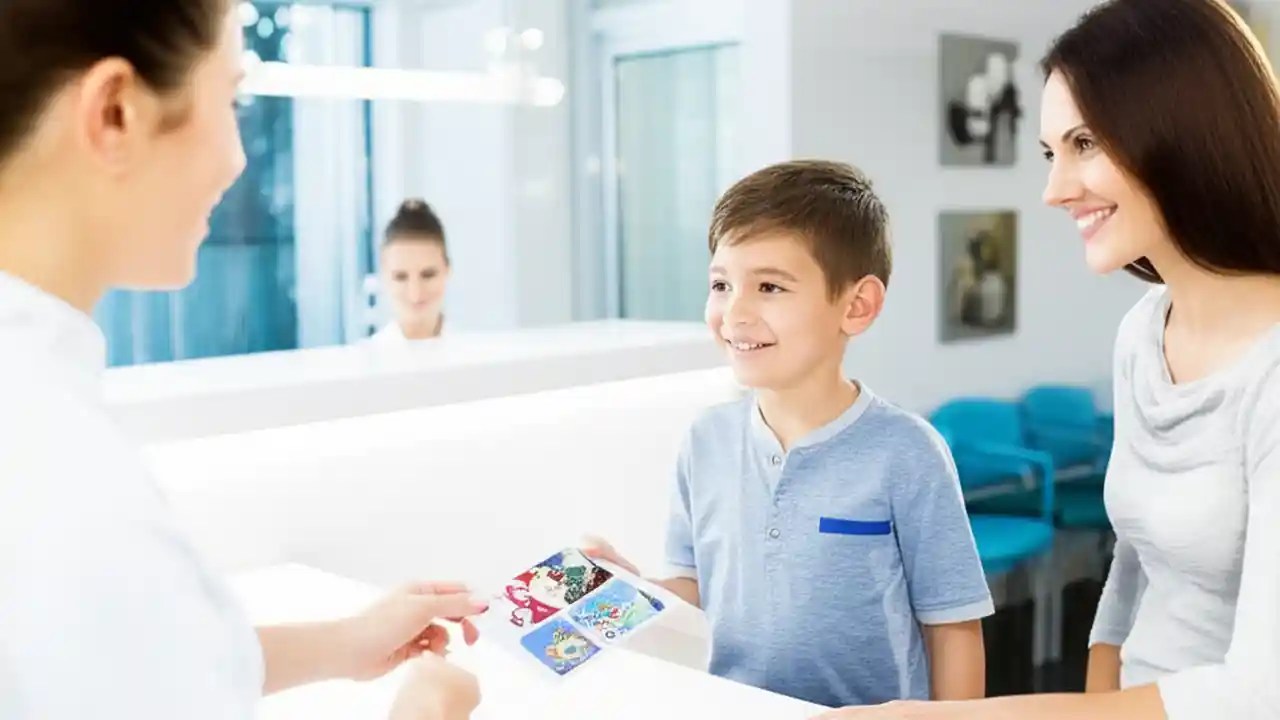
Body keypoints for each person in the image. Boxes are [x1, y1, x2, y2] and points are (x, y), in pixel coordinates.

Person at [0, 2, 484, 717]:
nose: (238, 156)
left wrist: (344, 641)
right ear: (116, 113)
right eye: (231, 98)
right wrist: (428, 709)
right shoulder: (60, 473)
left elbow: (134, 661)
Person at [814, 1, 1280, 718]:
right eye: (1049, 152)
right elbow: (1133, 560)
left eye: (1085, 142)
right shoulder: (1143, 332)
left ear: (1183, 129)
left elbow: (1259, 691)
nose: (1055, 189)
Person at [585, 160, 993, 709]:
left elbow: (953, 627)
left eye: (769, 286)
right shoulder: (704, 442)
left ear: (857, 305)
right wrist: (622, 590)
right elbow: (695, 589)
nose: (735, 311)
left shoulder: (907, 452)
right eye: (721, 284)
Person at [372, 199, 451, 345]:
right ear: (384, 276)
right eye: (400, 277)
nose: (415, 293)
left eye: (428, 275)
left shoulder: (478, 357)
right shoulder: (364, 360)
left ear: (447, 270)